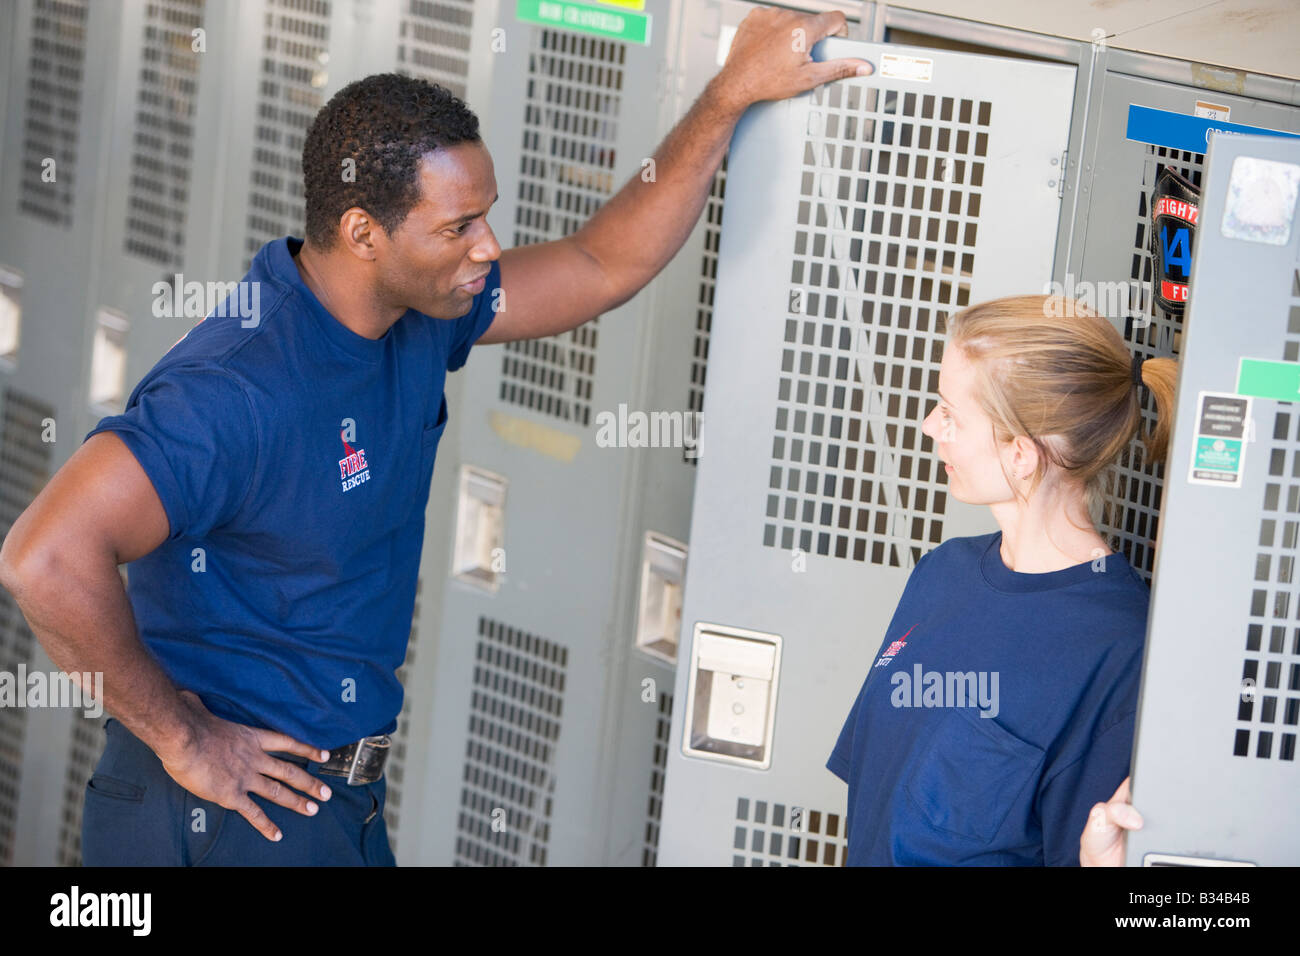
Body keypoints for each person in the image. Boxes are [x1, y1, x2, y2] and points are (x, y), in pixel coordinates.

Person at [0, 8, 874, 864]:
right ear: (362, 234)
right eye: (459, 227)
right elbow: (42, 556)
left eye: (485, 216)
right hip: (224, 813)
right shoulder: (237, 390)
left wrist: (726, 97)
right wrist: (183, 737)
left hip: (332, 801)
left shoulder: (416, 312)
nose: (488, 245)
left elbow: (601, 264)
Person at [826, 295, 1177, 866]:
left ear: (1021, 455)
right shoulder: (942, 573)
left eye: (951, 414)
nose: (927, 426)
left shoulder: (1120, 656)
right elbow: (876, 805)